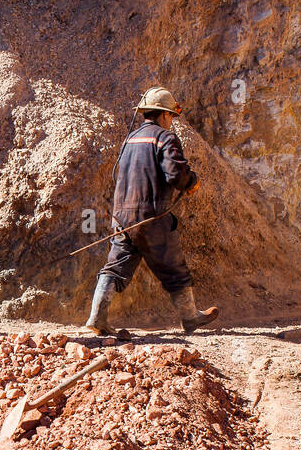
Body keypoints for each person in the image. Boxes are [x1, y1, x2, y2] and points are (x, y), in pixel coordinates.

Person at [85, 86, 218, 337]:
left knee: (115, 268)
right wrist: (191, 182)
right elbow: (175, 173)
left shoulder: (131, 139)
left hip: (122, 218)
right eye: (171, 117)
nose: (172, 122)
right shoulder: (165, 137)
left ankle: (97, 317)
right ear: (165, 114)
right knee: (174, 269)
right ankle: (190, 317)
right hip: (152, 217)